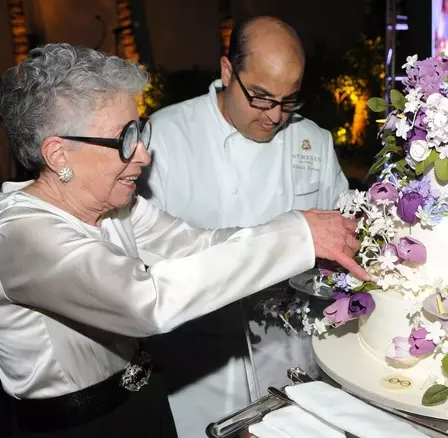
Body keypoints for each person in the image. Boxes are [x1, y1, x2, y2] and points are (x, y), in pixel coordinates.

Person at [0, 43, 368, 437]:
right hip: (82, 428)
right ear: (58, 154)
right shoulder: (20, 236)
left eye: (139, 133)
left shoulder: (113, 207)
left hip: (146, 405)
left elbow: (197, 244)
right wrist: (296, 235)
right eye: (125, 139)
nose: (143, 155)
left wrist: (304, 235)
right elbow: (146, 301)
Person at [140, 16, 350, 436]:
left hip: (293, 351)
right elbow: (145, 266)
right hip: (203, 359)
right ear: (226, 72)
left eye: (289, 101)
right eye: (260, 97)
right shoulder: (164, 138)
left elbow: (342, 241)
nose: (275, 116)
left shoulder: (314, 142)